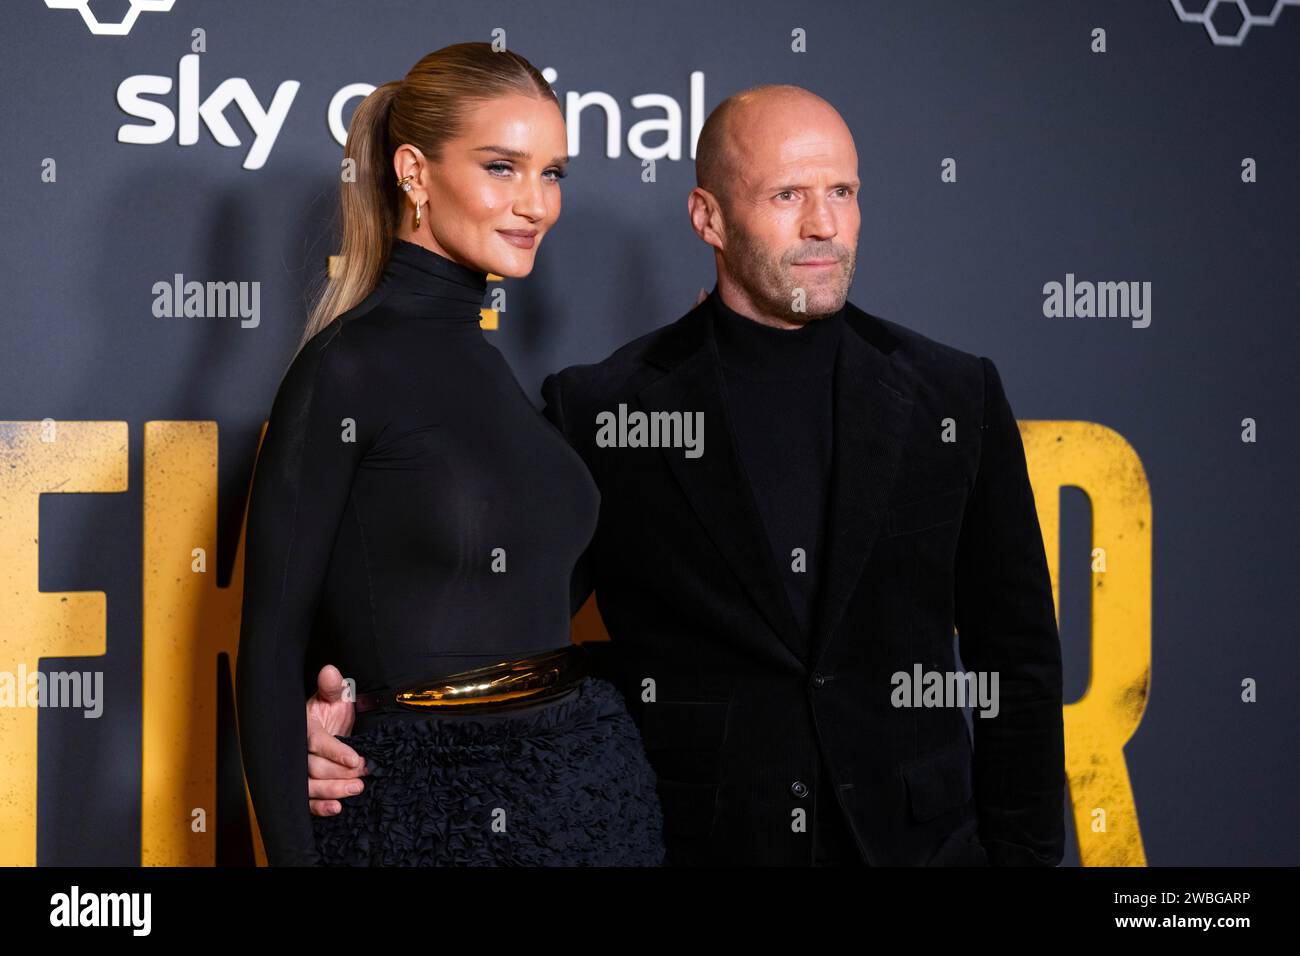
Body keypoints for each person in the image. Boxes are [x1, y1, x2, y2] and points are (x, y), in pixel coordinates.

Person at [304, 84, 1066, 867]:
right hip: (694, 844)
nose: (824, 224)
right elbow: (489, 615)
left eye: (843, 191)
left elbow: (1019, 656)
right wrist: (336, 702)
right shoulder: (601, 409)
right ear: (708, 217)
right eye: (787, 195)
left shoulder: (954, 393)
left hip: (924, 848)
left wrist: (1026, 858)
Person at [234, 42, 666, 867]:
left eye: (553, 174)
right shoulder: (345, 368)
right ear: (414, 172)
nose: (536, 203)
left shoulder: (492, 366)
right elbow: (271, 640)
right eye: (503, 167)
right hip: (426, 818)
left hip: (587, 800)